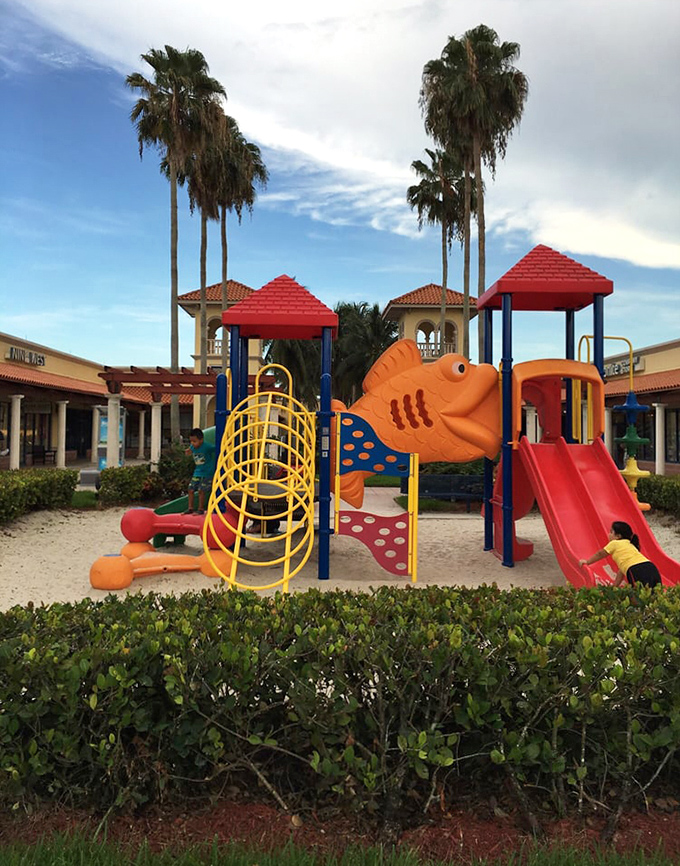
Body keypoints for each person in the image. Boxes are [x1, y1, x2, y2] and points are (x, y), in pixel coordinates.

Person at [579, 520, 661, 588]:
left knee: (638, 593)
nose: (609, 534)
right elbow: (621, 573)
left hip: (636, 570)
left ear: (618, 536)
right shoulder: (630, 544)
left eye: (611, 532)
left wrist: (587, 562)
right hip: (651, 567)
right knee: (654, 592)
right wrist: (614, 586)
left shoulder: (614, 543)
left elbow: (600, 554)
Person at [184, 428, 215, 515]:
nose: (192, 443)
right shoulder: (192, 447)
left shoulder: (207, 446)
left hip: (207, 472)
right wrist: (188, 451)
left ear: (201, 440)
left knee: (201, 490)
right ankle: (190, 508)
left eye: (194, 441)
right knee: (190, 489)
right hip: (197, 471)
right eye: (191, 441)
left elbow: (216, 448)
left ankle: (201, 509)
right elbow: (190, 450)